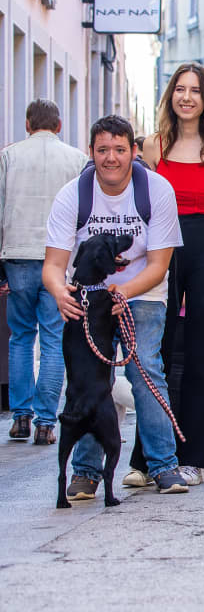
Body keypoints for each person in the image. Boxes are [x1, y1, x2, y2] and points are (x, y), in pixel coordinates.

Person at [44, 115, 189, 497]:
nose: (111, 158)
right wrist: (60, 292)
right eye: (103, 149)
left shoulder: (156, 190)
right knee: (90, 379)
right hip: (90, 296)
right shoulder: (72, 195)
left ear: (133, 151)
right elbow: (53, 265)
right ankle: (86, 472)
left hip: (141, 293)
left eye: (119, 149)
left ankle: (164, 466)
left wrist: (122, 294)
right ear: (92, 152)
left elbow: (159, 266)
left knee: (145, 371)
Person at [140, 64, 204, 487]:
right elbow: (142, 210)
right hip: (163, 245)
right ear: (171, 96)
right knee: (157, 351)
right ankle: (151, 455)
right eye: (180, 90)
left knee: (201, 354)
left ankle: (193, 456)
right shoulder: (153, 146)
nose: (187, 97)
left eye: (195, 91)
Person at [1, 100, 87, 445]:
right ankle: (46, 422)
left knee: (20, 337)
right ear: (60, 124)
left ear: (27, 124)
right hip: (60, 258)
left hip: (17, 253)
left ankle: (20, 417)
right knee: (53, 340)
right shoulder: (76, 159)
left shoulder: (8, 157)